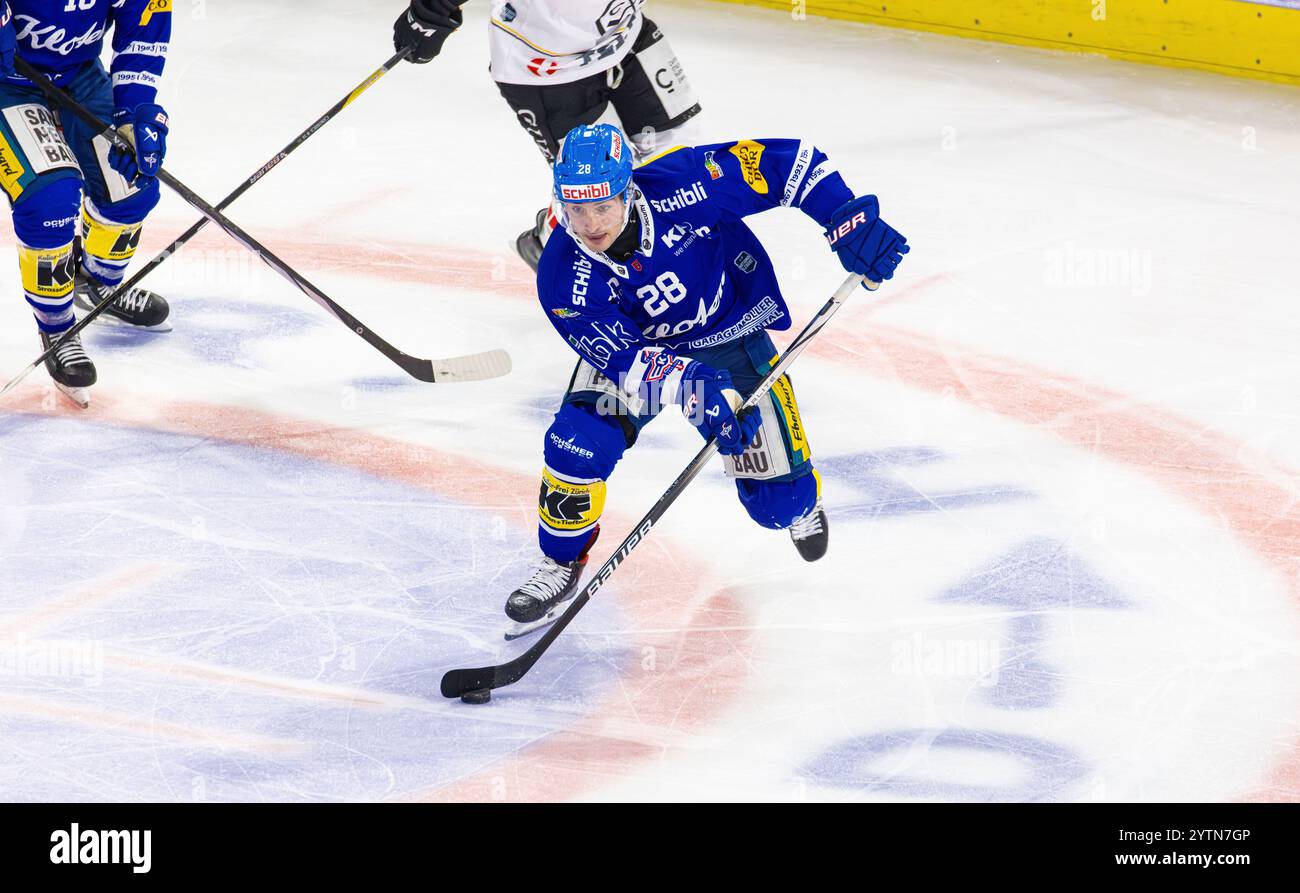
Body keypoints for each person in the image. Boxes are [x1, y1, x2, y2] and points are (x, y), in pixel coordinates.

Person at [504, 123, 909, 633]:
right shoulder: (562, 275)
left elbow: (793, 164)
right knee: (576, 444)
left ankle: (799, 496)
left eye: (602, 206)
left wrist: (847, 221)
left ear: (629, 189)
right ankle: (562, 561)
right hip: (640, 354)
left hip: (729, 335)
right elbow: (624, 358)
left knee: (779, 508)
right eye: (576, 209)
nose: (589, 224)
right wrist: (693, 385)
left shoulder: (687, 181)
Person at [392, 0, 702, 270]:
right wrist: (432, 9)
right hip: (546, 69)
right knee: (599, 189)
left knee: (681, 156)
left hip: (625, 36)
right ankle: (551, 247)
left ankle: (688, 266)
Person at [1, 0, 173, 405]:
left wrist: (134, 114)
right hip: (6, 82)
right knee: (51, 197)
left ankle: (97, 284)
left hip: (80, 77)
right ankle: (57, 325)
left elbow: (143, 25)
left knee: (133, 183)